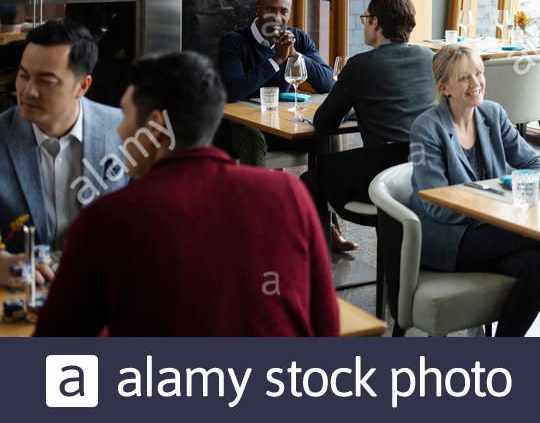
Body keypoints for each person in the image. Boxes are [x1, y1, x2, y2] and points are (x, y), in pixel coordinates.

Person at [35, 50, 339, 336]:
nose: (118, 130)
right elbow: (326, 325)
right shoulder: (289, 195)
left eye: (125, 115)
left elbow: (55, 346)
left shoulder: (107, 218)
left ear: (155, 126)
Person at [407, 45, 540, 337]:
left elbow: (534, 162)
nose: (476, 83)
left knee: (539, 266)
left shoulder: (492, 114)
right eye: (464, 78)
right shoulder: (426, 128)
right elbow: (434, 202)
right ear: (444, 88)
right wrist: (496, 207)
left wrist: (521, 186)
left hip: (493, 229)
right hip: (448, 238)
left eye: (478, 73)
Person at [306, 0, 435, 252]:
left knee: (311, 179)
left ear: (375, 22)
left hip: (382, 177)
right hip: (426, 171)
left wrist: (353, 107)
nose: (364, 24)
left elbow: (323, 123)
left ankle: (317, 259)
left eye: (366, 18)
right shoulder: (430, 59)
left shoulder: (360, 65)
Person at [1, 20, 128, 282]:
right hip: (22, 287)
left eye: (46, 81)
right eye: (23, 76)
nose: (27, 91)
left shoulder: (123, 131)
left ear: (82, 86)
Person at [215, 0, 334, 166]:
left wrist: (295, 55)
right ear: (258, 10)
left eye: (283, 11)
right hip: (244, 123)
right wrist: (277, 59)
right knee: (253, 137)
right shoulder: (234, 41)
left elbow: (329, 84)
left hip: (282, 122)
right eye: (271, 9)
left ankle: (325, 184)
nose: (277, 18)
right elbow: (231, 91)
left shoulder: (298, 38)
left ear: (289, 14)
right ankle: (256, 186)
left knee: (328, 128)